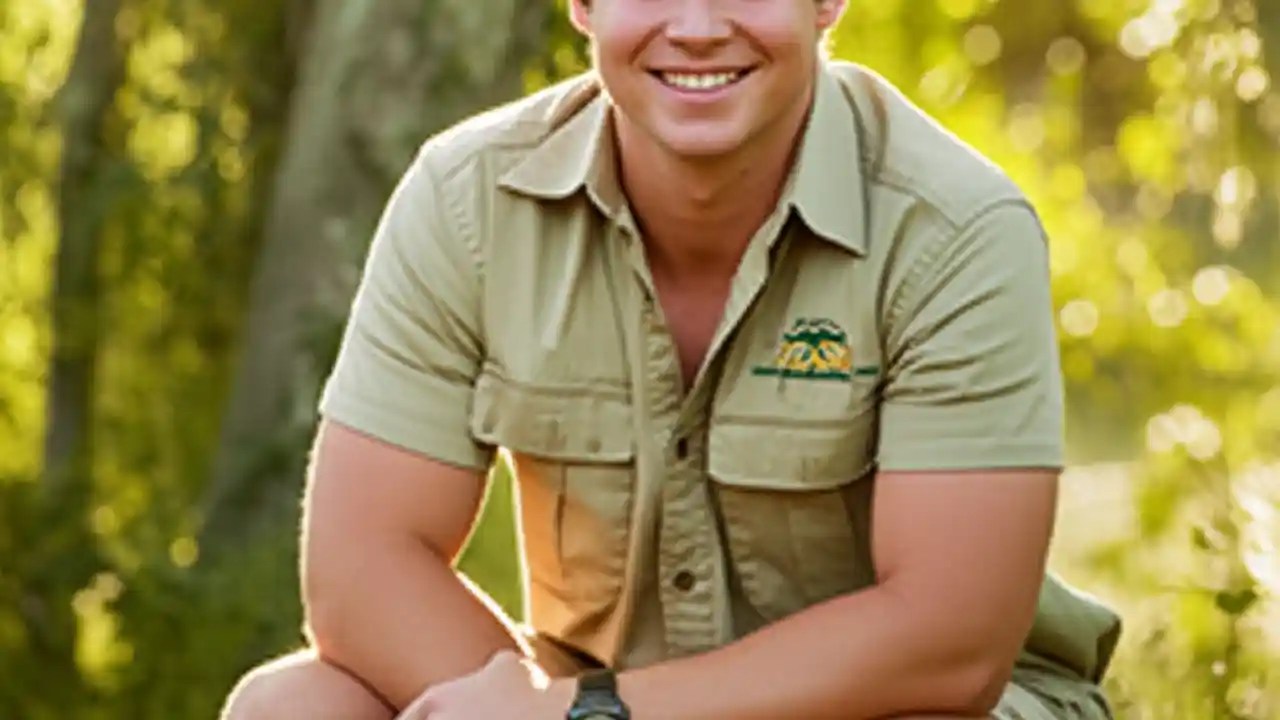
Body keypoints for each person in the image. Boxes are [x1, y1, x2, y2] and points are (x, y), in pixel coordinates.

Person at [220, 0, 1123, 718]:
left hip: (902, 706)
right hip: (594, 694)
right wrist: (558, 713)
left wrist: (595, 717)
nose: (695, 27)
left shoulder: (958, 232)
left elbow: (949, 643)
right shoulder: (467, 203)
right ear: (582, 3)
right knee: (292, 708)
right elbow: (359, 570)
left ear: (827, 2)